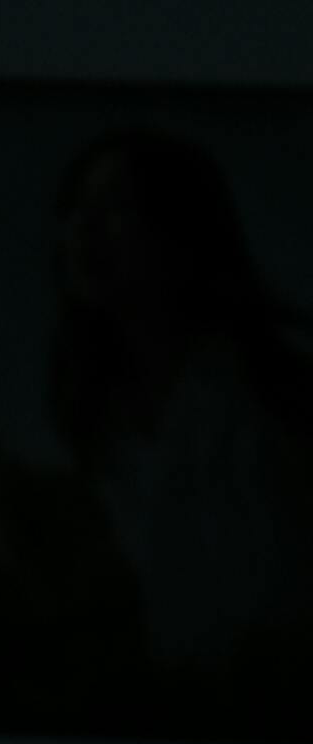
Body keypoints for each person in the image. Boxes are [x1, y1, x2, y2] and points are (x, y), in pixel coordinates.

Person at [46, 124, 313, 685]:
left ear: (183, 235)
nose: (82, 230)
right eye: (75, 209)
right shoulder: (99, 418)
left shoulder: (268, 405)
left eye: (116, 208)